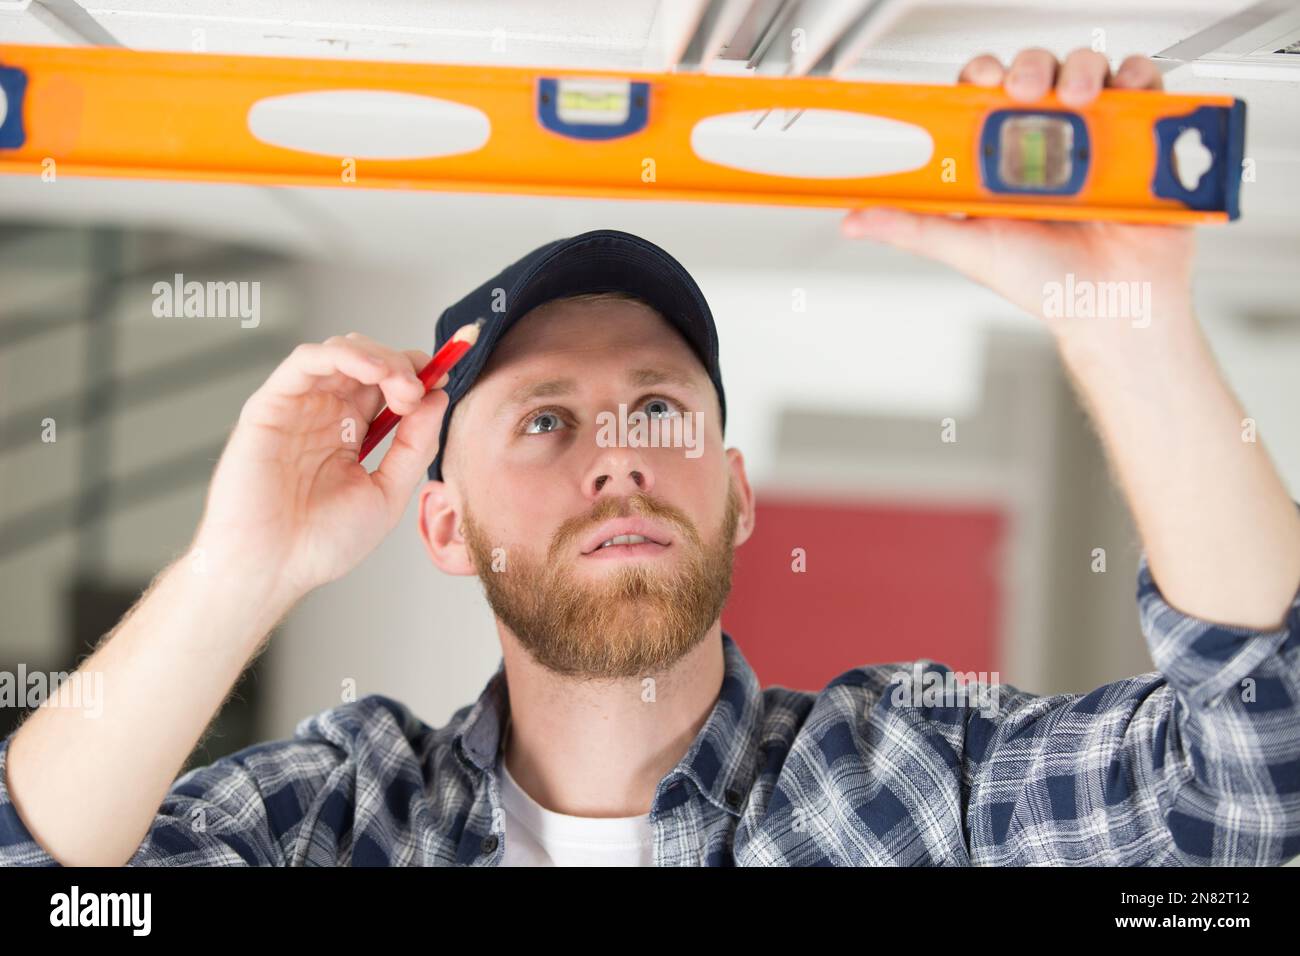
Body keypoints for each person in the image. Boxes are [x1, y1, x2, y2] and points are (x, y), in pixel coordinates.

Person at [2, 48, 1298, 867]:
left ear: (736, 496)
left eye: (661, 411)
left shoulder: (917, 782)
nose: (619, 457)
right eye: (547, 421)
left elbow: (1250, 792)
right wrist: (239, 571)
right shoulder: (343, 818)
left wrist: (1122, 323)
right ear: (443, 525)